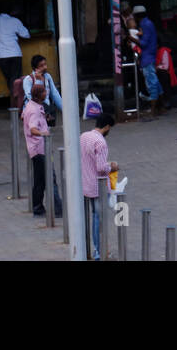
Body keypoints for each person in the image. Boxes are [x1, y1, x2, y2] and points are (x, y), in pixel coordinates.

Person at [80, 111, 117, 260]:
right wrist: (113, 167)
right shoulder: (100, 142)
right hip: (98, 186)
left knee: (93, 217)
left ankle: (93, 249)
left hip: (85, 183)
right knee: (99, 219)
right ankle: (99, 251)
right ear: (107, 126)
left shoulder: (83, 136)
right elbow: (101, 167)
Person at [25, 82, 58, 217]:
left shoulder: (33, 106)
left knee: (40, 180)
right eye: (44, 92)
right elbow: (33, 128)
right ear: (39, 95)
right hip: (39, 149)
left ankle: (38, 207)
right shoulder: (34, 110)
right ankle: (55, 208)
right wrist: (44, 133)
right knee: (49, 178)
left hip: (38, 149)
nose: (46, 93)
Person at [132, 5, 164, 114]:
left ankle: (153, 109)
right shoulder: (148, 23)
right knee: (155, 82)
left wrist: (130, 37)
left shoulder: (145, 24)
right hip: (150, 56)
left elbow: (144, 43)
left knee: (151, 83)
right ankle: (160, 107)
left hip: (147, 57)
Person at [0, 10, 30, 89]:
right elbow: (26, 35)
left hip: (0, 56)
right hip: (14, 54)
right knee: (16, 81)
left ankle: (14, 98)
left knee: (10, 80)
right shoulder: (14, 21)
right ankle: (17, 100)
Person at [23, 54, 62, 121]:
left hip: (46, 110)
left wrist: (64, 109)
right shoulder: (28, 79)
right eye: (41, 66)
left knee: (46, 130)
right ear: (35, 68)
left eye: (45, 64)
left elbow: (54, 94)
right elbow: (33, 98)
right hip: (33, 112)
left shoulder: (47, 76)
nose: (45, 67)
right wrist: (39, 80)